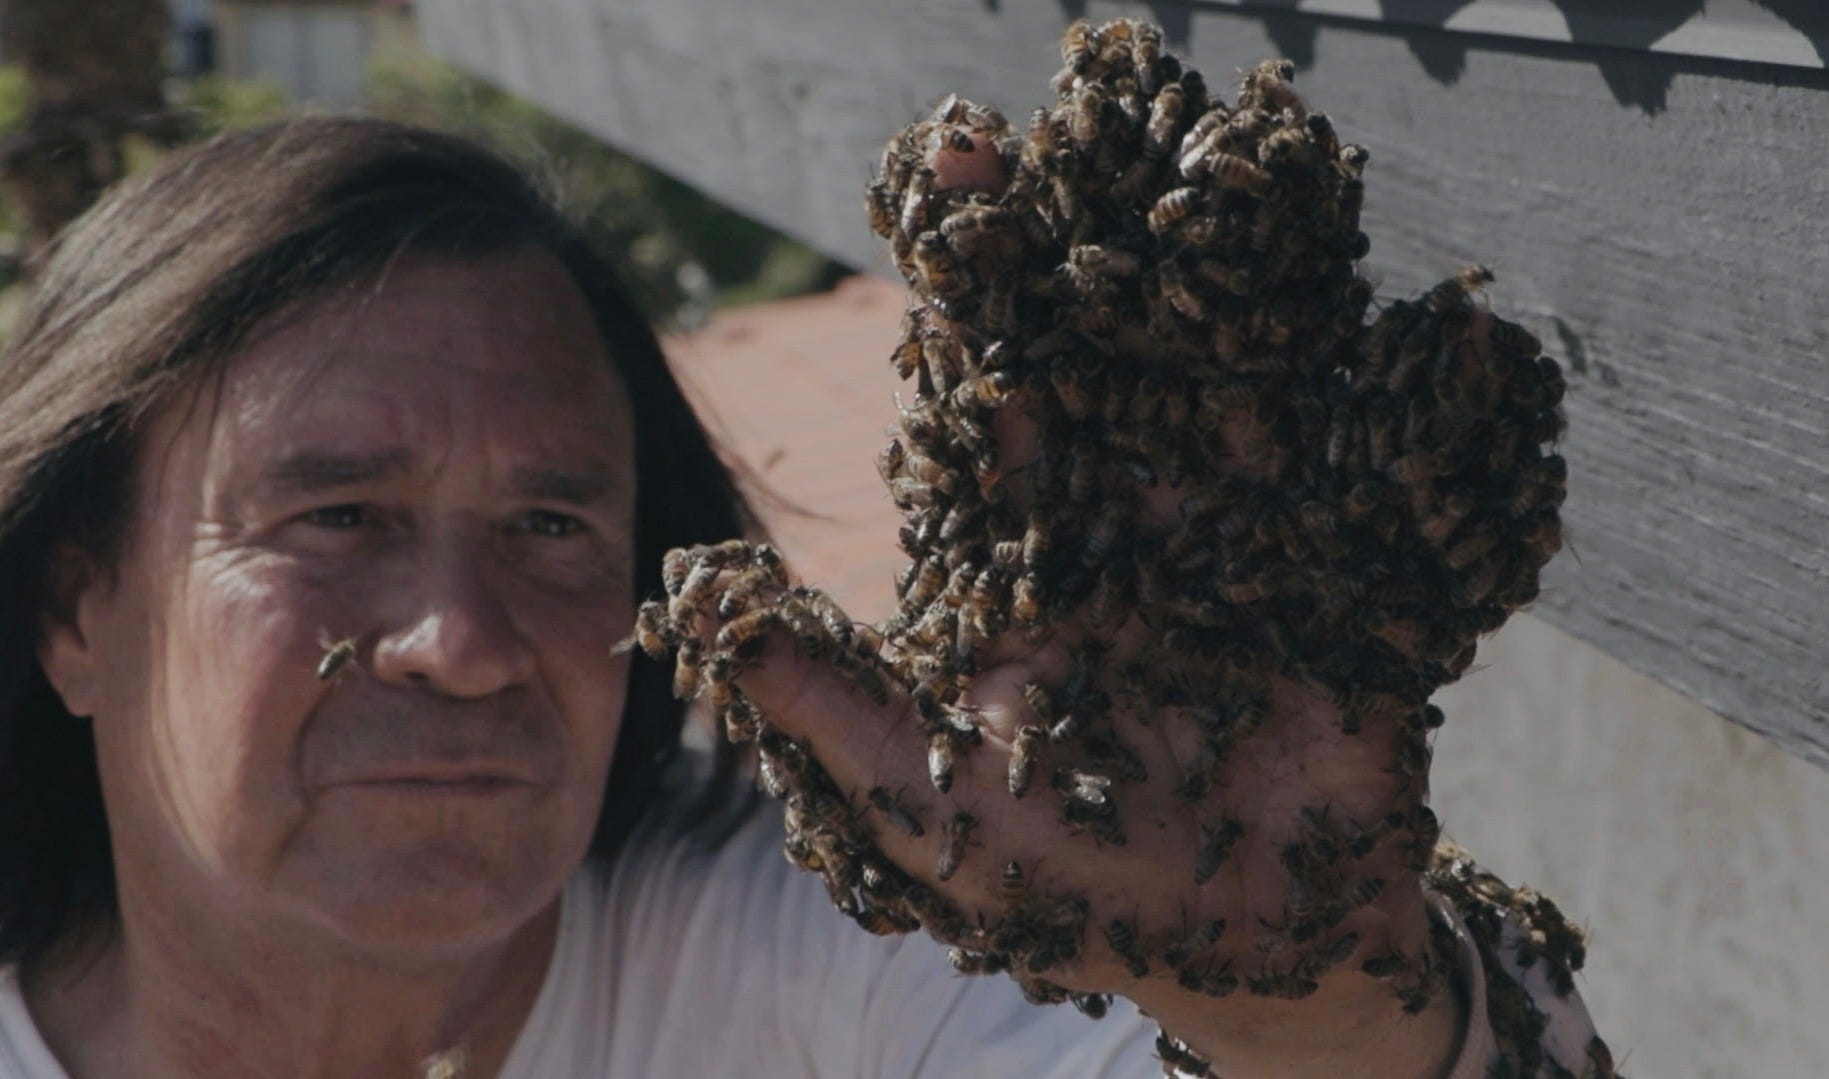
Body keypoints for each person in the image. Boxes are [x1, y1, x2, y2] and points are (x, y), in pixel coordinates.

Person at [0, 116, 1602, 1078]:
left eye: (553, 524)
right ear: (80, 608)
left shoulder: (831, 957)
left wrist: (1315, 1003)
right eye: (336, 514)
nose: (466, 643)